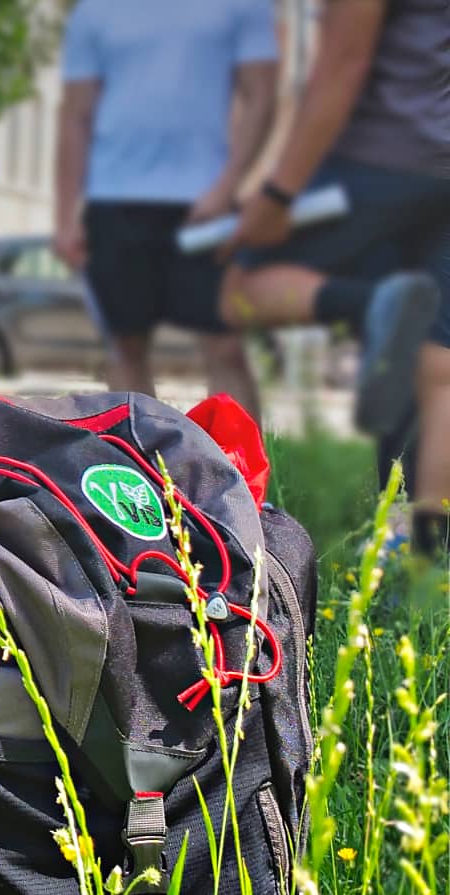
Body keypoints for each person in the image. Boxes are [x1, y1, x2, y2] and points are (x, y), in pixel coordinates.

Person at [220, 0, 450, 561]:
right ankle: (424, 553)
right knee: (437, 364)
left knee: (234, 292)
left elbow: (342, 65)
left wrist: (278, 193)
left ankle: (370, 304)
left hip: (377, 161)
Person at [54, 0, 278, 423]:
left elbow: (262, 97)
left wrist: (226, 186)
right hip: (114, 200)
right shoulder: (94, 12)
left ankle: (243, 465)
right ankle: (143, 461)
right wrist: (66, 217)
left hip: (207, 204)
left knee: (225, 346)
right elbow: (75, 116)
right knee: (125, 347)